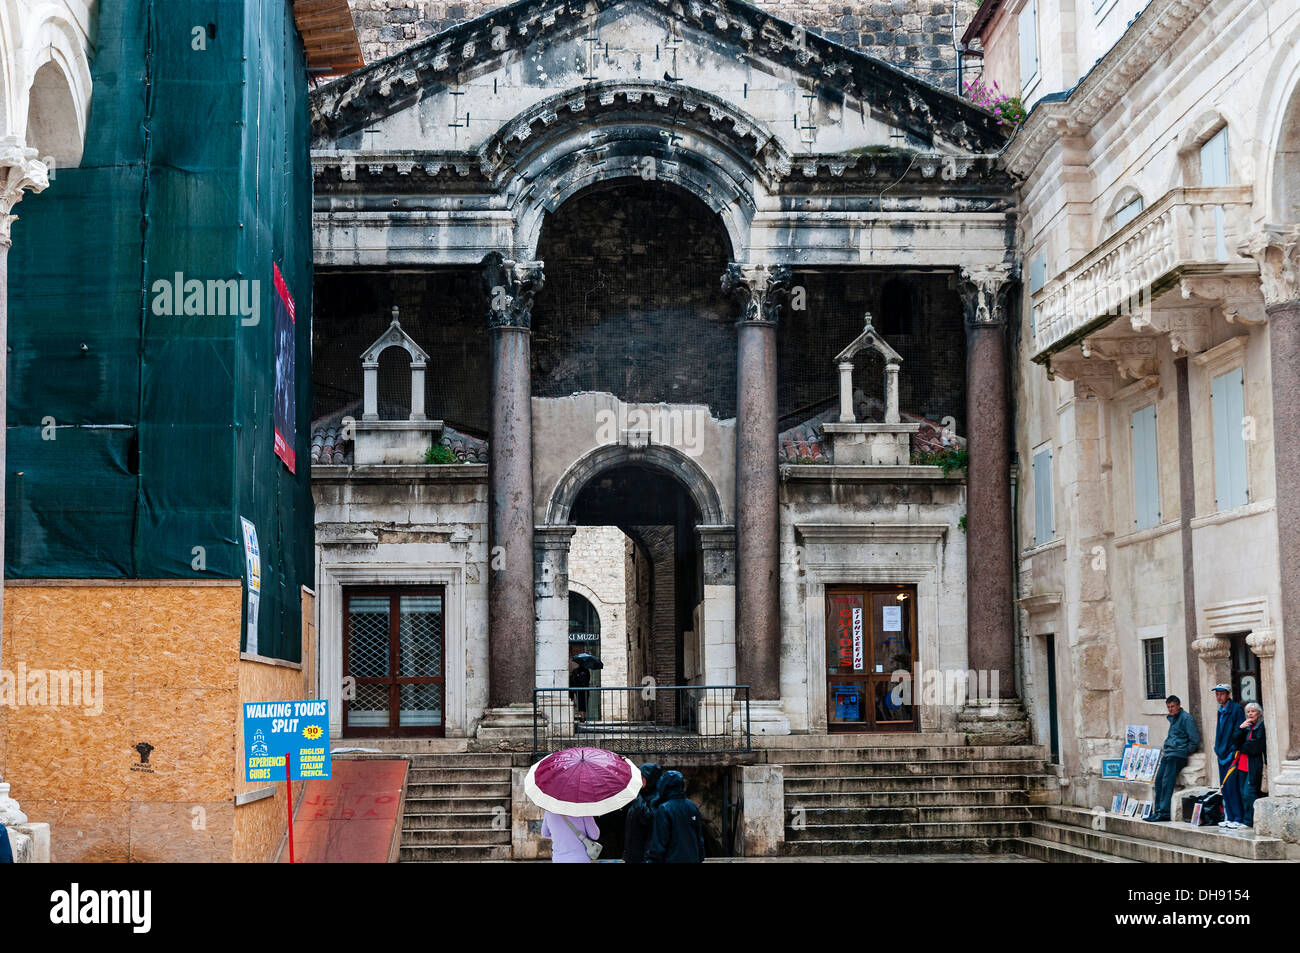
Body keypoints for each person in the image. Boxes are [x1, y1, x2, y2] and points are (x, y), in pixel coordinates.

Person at [1146, 694, 1200, 822]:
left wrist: (1184, 751)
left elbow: (1195, 740)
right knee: (1158, 781)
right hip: (1168, 754)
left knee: (1167, 781)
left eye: (1172, 707)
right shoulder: (1172, 719)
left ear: (1178, 706)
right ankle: (1157, 811)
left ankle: (1164, 812)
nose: (1170, 709)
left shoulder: (1186, 718)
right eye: (1168, 707)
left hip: (1177, 755)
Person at [645, 769, 705, 863]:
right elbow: (699, 838)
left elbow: (659, 843)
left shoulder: (664, 809)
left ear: (664, 786)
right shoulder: (692, 807)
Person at [1212, 683, 1247, 828]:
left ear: (1228, 694)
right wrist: (1217, 748)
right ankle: (1229, 816)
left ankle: (1238, 818)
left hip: (1231, 753)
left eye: (1221, 694)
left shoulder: (1236, 709)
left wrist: (1233, 750)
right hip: (1221, 753)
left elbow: (1238, 731)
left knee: (1233, 786)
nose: (1219, 697)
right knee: (1224, 786)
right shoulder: (1220, 710)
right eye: (1217, 694)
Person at [1230, 702, 1267, 829]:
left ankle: (1249, 821)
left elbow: (1255, 748)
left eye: (1253, 711)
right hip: (1241, 765)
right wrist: (1240, 729)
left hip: (1253, 766)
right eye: (1248, 712)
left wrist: (1241, 746)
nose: (1250, 714)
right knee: (1242, 793)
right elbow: (1234, 742)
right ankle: (1248, 819)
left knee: (1249, 793)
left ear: (1259, 713)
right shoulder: (1246, 727)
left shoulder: (1261, 727)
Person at [623, 762, 662, 864]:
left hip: (645, 857)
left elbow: (647, 818)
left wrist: (637, 797)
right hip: (633, 856)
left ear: (650, 779)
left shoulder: (657, 799)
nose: (639, 780)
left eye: (643, 777)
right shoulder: (641, 796)